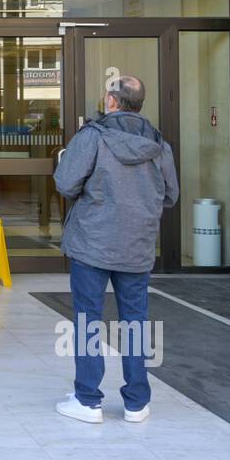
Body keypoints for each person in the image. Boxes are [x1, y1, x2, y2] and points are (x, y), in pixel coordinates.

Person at [52, 75, 178, 424]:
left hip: (93, 243)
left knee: (88, 320)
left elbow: (65, 182)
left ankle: (88, 399)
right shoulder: (159, 144)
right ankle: (137, 401)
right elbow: (171, 195)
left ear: (111, 101)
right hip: (137, 246)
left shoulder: (93, 136)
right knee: (135, 321)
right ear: (139, 104)